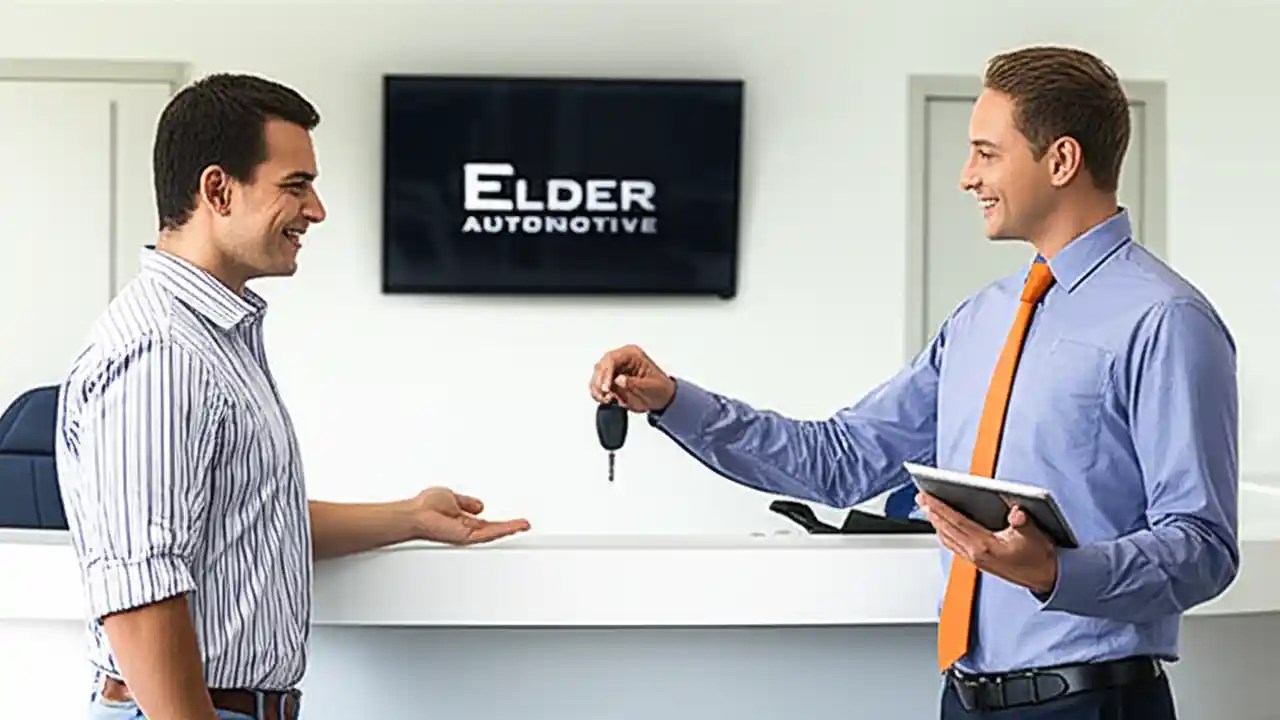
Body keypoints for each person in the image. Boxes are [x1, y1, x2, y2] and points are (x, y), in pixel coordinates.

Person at [588, 45, 1238, 719]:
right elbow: (841, 461)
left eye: (987, 153)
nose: (966, 177)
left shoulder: (1167, 321)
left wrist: (1053, 572)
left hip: (1094, 704)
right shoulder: (980, 320)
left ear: (1062, 160)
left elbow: (1203, 547)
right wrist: (672, 401)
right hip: (963, 700)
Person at [54, 73, 531, 720]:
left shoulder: (212, 338)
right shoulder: (162, 353)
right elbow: (141, 598)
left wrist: (412, 516)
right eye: (295, 185)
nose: (317, 209)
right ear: (218, 190)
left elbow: (251, 520)